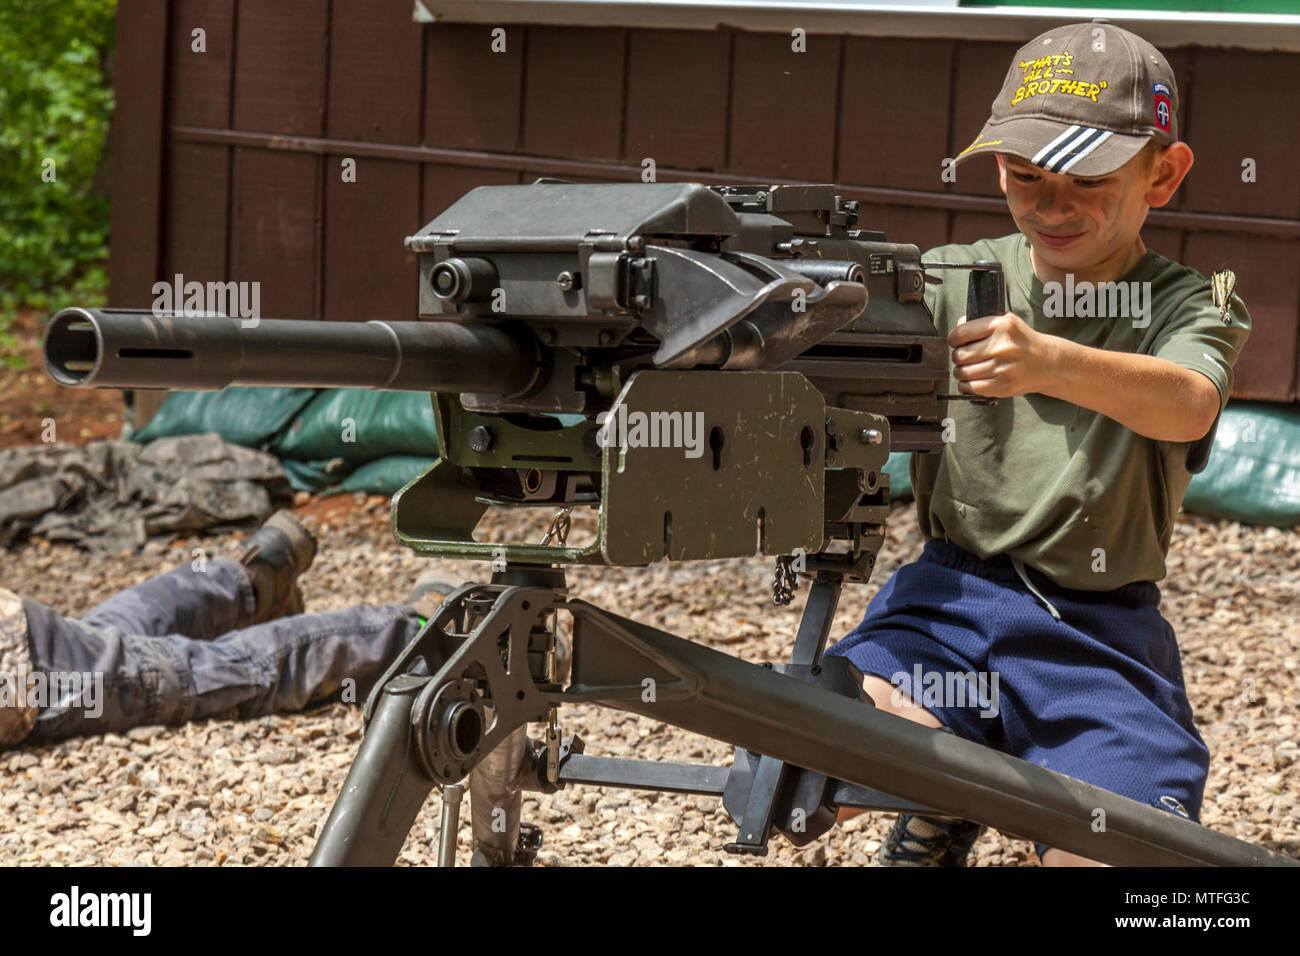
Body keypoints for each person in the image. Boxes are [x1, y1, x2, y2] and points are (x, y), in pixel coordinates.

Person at [824, 19, 1251, 866]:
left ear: (1162, 174)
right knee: (828, 739)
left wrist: (1049, 360)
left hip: (1096, 637)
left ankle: (963, 781)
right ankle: (947, 785)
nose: (1051, 207)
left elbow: (1190, 403)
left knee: (1129, 856)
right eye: (1025, 177)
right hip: (945, 610)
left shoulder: (1193, 302)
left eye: (1085, 181)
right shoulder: (948, 277)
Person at [0, 510, 452, 749]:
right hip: (16, 634)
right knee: (106, 644)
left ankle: (415, 631)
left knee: (190, 674)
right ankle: (252, 574)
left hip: (19, 675)